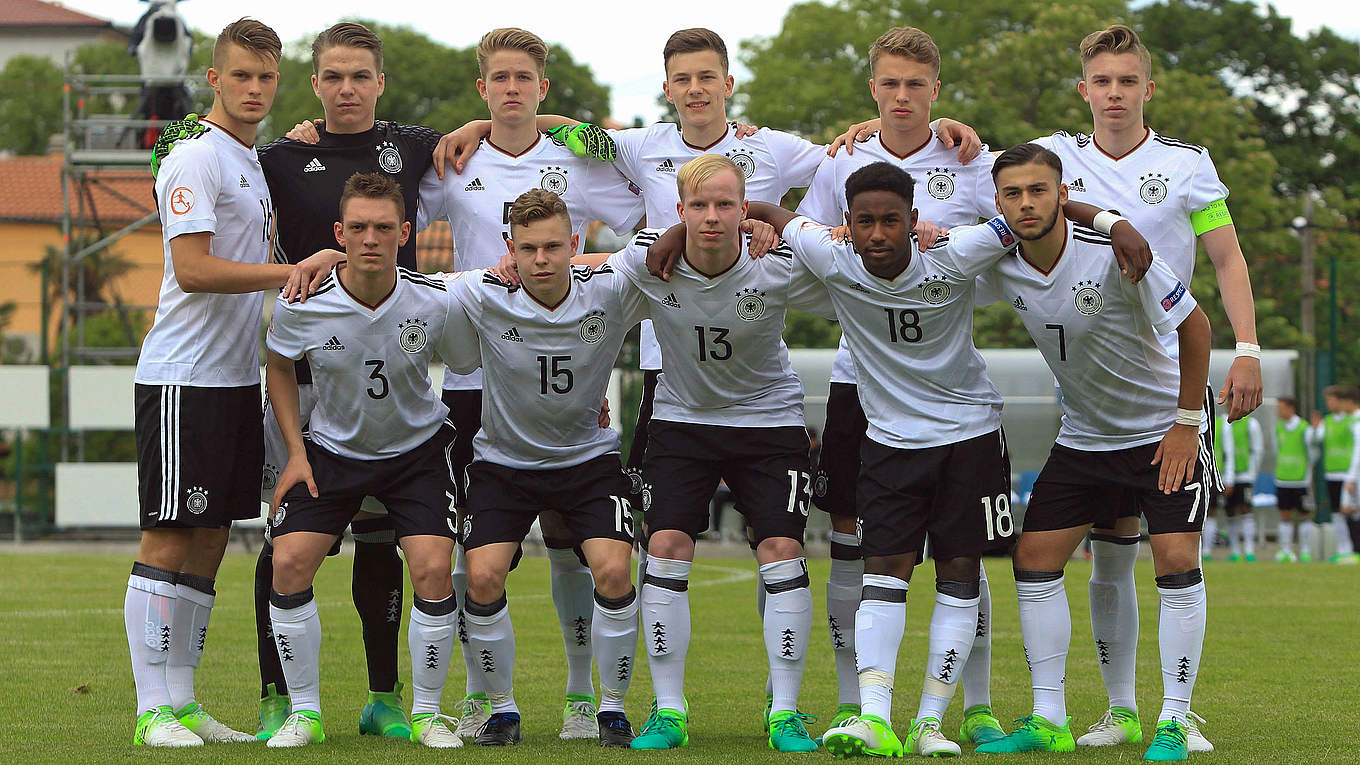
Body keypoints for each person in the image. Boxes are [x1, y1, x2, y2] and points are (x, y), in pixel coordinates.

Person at [741, 159, 1148, 758]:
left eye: (891, 221)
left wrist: (1113, 223)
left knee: (959, 578)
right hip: (890, 446)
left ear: (914, 221)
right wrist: (716, 226)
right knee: (882, 576)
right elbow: (778, 213)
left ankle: (931, 722)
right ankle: (875, 718)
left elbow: (1034, 214)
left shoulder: (957, 252)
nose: (877, 234)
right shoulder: (830, 255)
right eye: (864, 222)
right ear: (845, 225)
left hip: (969, 440)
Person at [415, 27, 645, 740]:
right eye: (498, 79)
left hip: (565, 366)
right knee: (472, 552)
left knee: (576, 539)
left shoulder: (577, 155)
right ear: (482, 88)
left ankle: (585, 695)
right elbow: (396, 224)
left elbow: (648, 204)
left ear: (542, 89)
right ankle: (485, 697)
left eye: (524, 79)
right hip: (471, 377)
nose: (511, 88)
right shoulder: (453, 161)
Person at [954, 143, 1212, 762]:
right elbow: (929, 253)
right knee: (1036, 559)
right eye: (1012, 193)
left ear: (1061, 192)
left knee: (1174, 558)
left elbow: (1195, 327)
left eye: (1038, 190)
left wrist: (1185, 424)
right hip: (1085, 438)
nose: (1025, 203)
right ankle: (1054, 716)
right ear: (998, 202)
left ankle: (1175, 720)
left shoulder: (1118, 255)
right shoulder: (1001, 262)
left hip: (1162, 431)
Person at [794, 26, 1007, 744]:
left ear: (936, 91)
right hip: (863, 381)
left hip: (950, 388)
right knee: (856, 544)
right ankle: (861, 701)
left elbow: (1029, 200)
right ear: (873, 89)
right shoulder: (844, 156)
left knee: (959, 554)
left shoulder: (969, 157)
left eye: (915, 85)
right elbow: (818, 239)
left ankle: (969, 703)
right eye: (889, 84)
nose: (902, 97)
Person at [248, 22, 444, 741]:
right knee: (287, 540)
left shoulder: (415, 147)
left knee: (382, 537)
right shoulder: (282, 156)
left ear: (380, 82)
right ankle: (278, 695)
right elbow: (176, 151)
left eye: (360, 75)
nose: (347, 88)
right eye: (333, 76)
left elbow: (506, 125)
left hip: (383, 368)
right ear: (316, 84)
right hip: (299, 373)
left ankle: (384, 696)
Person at [612, 154, 834, 752]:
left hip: (768, 422)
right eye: (699, 206)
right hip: (682, 422)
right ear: (679, 212)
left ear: (745, 211)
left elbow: (853, 264)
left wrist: (778, 218)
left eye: (726, 205)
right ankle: (668, 711)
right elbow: (573, 276)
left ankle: (785, 710)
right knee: (665, 546)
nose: (712, 217)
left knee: (783, 549)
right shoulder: (647, 263)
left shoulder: (777, 265)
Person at [125, 19, 300, 747]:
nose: (254, 89)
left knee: (209, 537)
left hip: (233, 380)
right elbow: (193, 269)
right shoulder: (195, 157)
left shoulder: (250, 160)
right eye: (242, 76)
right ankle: (151, 709)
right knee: (167, 535)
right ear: (215, 79)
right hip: (182, 377)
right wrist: (288, 272)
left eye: (266, 78)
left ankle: (185, 699)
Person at [262, 172, 480, 749]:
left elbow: (468, 363)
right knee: (288, 564)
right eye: (357, 227)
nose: (370, 238)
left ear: (405, 232)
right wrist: (294, 453)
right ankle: (304, 714)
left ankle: (430, 714)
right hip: (333, 451)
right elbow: (279, 367)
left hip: (417, 452)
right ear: (339, 232)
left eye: (384, 227)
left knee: (433, 568)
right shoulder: (304, 302)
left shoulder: (434, 300)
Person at [448, 188, 648, 747]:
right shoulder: (482, 291)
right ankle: (502, 711)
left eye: (554, 247)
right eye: (530, 248)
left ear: (575, 244)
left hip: (587, 461)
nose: (542, 260)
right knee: (481, 575)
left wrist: (757, 224)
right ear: (510, 247)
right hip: (503, 463)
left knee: (612, 570)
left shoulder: (609, 290)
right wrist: (327, 259)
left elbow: (662, 246)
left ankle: (607, 709)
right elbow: (397, 282)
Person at [1308, 385, 1360, 563]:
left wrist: (1352, 476)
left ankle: (1353, 550)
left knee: (1351, 512)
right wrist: (1314, 429)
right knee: (1338, 513)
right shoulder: (1327, 421)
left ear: (1342, 401)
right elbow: (1315, 440)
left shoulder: (1352, 420)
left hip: (1350, 474)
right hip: (1332, 474)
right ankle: (1343, 550)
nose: (1329, 403)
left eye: (1331, 399)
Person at [1212, 412, 1263, 561]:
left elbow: (1257, 450)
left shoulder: (1251, 424)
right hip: (1226, 476)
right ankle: (1235, 551)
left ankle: (1249, 551)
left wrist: (1252, 474)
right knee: (1230, 512)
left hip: (1244, 475)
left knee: (1246, 510)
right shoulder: (1222, 422)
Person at [1273, 396, 1316, 562]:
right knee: (1285, 514)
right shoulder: (1279, 427)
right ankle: (1286, 551)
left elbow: (1312, 453)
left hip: (1300, 479)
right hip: (1282, 478)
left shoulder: (1304, 428)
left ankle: (1305, 551)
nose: (1278, 411)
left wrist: (1308, 474)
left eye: (1281, 407)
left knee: (1304, 515)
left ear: (1290, 408)